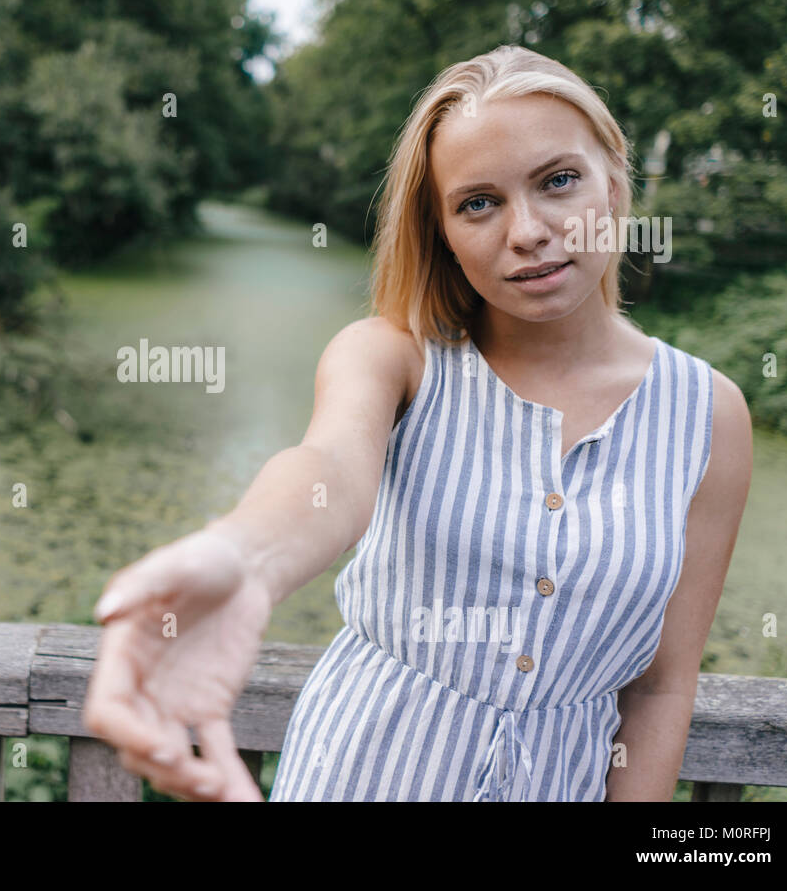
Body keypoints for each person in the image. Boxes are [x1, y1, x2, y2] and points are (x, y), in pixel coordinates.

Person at [81, 45, 753, 801]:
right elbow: (327, 474)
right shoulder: (393, 357)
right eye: (478, 203)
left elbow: (661, 688)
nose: (528, 230)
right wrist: (242, 557)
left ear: (616, 177)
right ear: (441, 230)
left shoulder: (709, 415)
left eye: (558, 180)